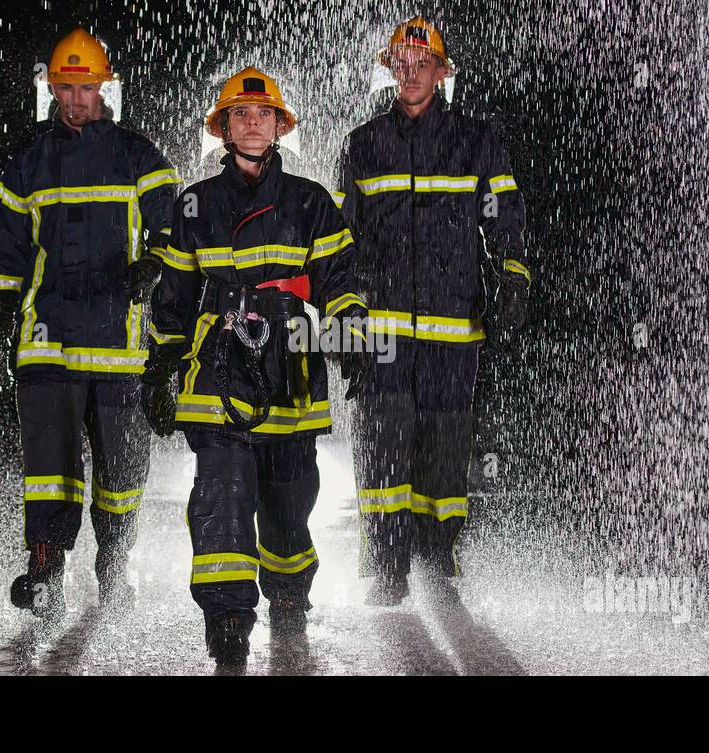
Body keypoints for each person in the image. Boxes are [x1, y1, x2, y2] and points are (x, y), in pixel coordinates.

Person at [143, 67, 368, 664]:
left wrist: (351, 337)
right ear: (223, 128)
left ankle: (289, 598)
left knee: (288, 506)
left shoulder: (311, 202)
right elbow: (173, 295)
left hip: (290, 371)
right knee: (222, 492)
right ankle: (228, 619)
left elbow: (340, 282)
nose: (251, 123)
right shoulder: (194, 203)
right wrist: (160, 366)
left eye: (262, 115)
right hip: (218, 373)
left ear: (278, 127)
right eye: (239, 115)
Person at [335, 16, 531, 605]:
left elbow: (506, 217)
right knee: (383, 443)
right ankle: (387, 562)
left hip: (454, 326)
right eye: (403, 63)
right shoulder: (362, 144)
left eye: (424, 63)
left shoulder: (477, 140)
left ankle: (438, 551)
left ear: (443, 72)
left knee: (445, 445)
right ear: (390, 69)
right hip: (381, 330)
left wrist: (514, 278)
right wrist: (344, 313)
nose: (412, 72)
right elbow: (340, 239)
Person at [0, 28, 180, 619]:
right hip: (46, 342)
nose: (75, 99)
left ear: (104, 88)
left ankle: (113, 568)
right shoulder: (26, 164)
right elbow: (7, 254)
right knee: (49, 469)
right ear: (51, 88)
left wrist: (156, 260)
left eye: (85, 87)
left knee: (121, 476)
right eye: (65, 87)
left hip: (118, 344)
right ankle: (45, 570)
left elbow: (173, 222)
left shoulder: (137, 154)